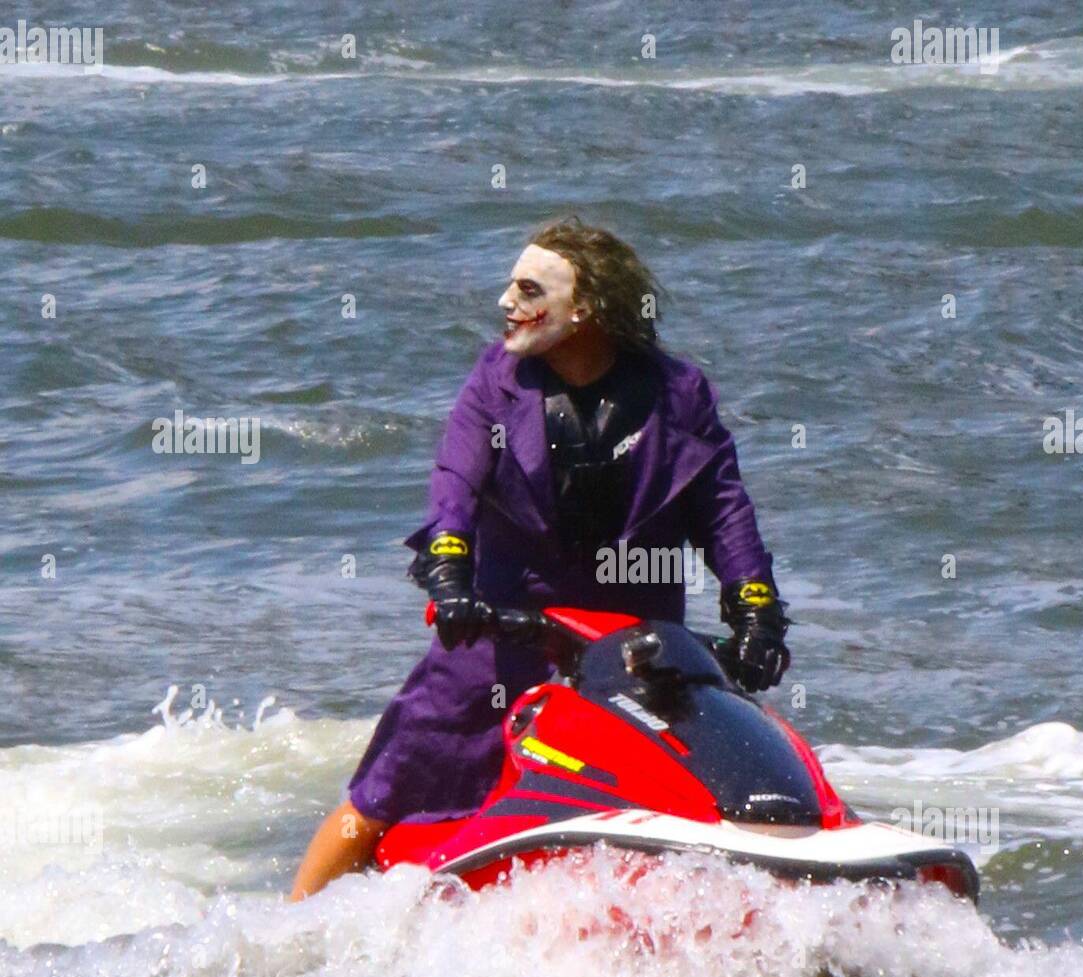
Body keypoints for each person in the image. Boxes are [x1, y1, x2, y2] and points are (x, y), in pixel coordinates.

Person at [289, 217, 789, 900]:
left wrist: (756, 610)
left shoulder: (679, 394)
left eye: (528, 289)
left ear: (584, 308)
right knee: (389, 789)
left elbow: (723, 510)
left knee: (685, 775)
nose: (506, 302)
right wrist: (449, 571)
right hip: (500, 625)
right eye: (510, 286)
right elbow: (455, 483)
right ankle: (293, 924)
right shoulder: (496, 383)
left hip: (634, 638)